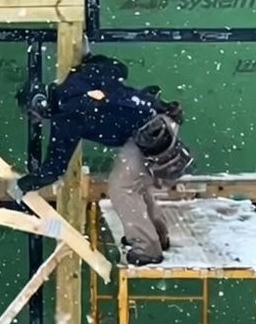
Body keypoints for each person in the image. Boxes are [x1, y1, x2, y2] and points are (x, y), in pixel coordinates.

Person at [12, 51, 191, 266]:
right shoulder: (78, 79)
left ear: (39, 104)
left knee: (121, 188)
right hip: (158, 119)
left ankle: (147, 250)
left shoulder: (66, 117)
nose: (36, 119)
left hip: (149, 130)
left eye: (33, 114)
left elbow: (54, 168)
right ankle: (157, 237)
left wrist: (25, 183)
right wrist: (94, 63)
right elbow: (119, 68)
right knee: (135, 185)